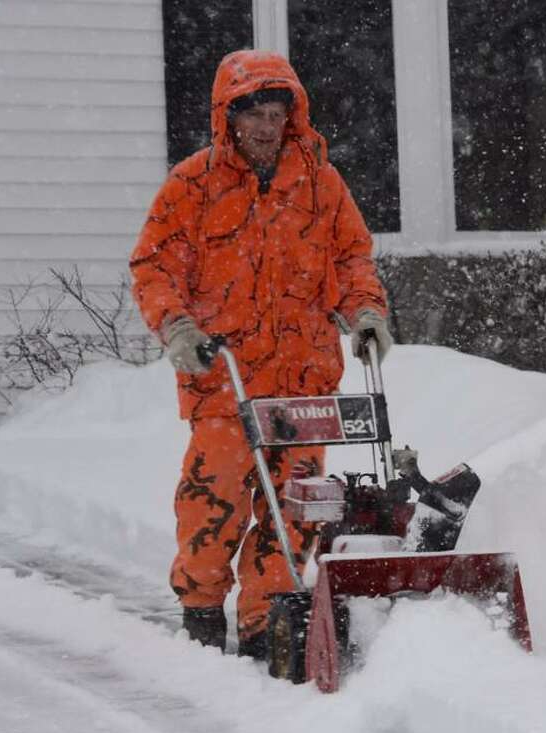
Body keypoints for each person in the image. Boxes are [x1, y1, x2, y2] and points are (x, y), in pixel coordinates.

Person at [130, 50, 392, 658]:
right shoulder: (193, 184)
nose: (267, 127)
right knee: (212, 502)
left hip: (303, 381)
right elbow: (155, 265)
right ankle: (200, 606)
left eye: (277, 114)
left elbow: (351, 258)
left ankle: (266, 622)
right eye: (254, 115)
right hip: (224, 380)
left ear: (291, 118)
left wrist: (367, 314)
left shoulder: (320, 181)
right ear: (229, 118)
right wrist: (177, 328)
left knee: (297, 509)